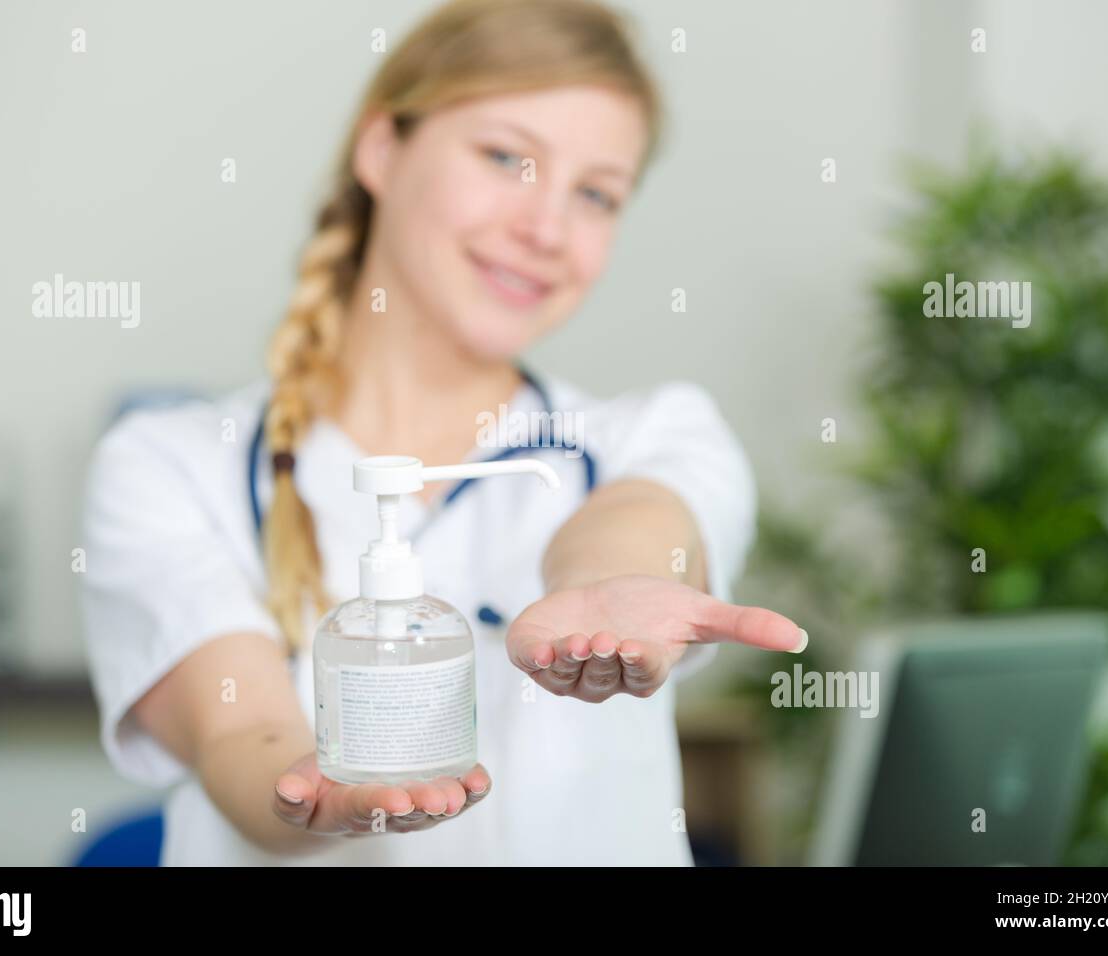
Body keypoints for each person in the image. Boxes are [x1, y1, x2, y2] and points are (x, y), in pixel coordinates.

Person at [79, 0, 806, 866]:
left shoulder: (655, 432)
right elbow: (243, 740)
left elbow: (636, 524)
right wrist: (330, 791)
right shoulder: (169, 466)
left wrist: (607, 593)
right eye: (507, 157)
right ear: (382, 147)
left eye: (596, 195)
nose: (546, 230)